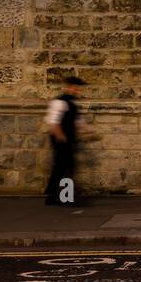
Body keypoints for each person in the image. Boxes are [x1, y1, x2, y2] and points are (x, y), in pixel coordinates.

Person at [44, 75, 85, 206]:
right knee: (63, 167)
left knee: (65, 167)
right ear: (68, 88)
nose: (77, 91)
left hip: (67, 139)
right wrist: (61, 136)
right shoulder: (59, 102)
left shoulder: (72, 104)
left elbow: (77, 122)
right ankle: (61, 196)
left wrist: (87, 132)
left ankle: (54, 196)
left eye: (78, 89)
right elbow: (53, 122)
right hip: (61, 139)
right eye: (75, 88)